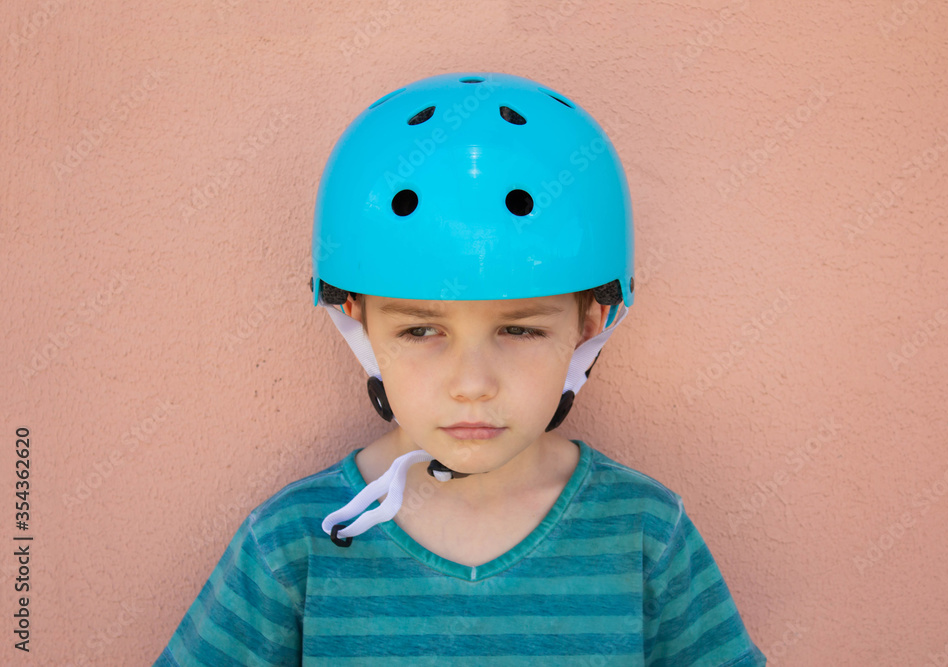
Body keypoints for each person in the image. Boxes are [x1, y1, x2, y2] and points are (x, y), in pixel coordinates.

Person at [154, 71, 766, 666]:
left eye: (520, 329)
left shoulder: (644, 538)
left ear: (588, 327)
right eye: (421, 331)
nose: (472, 385)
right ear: (358, 325)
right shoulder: (293, 547)